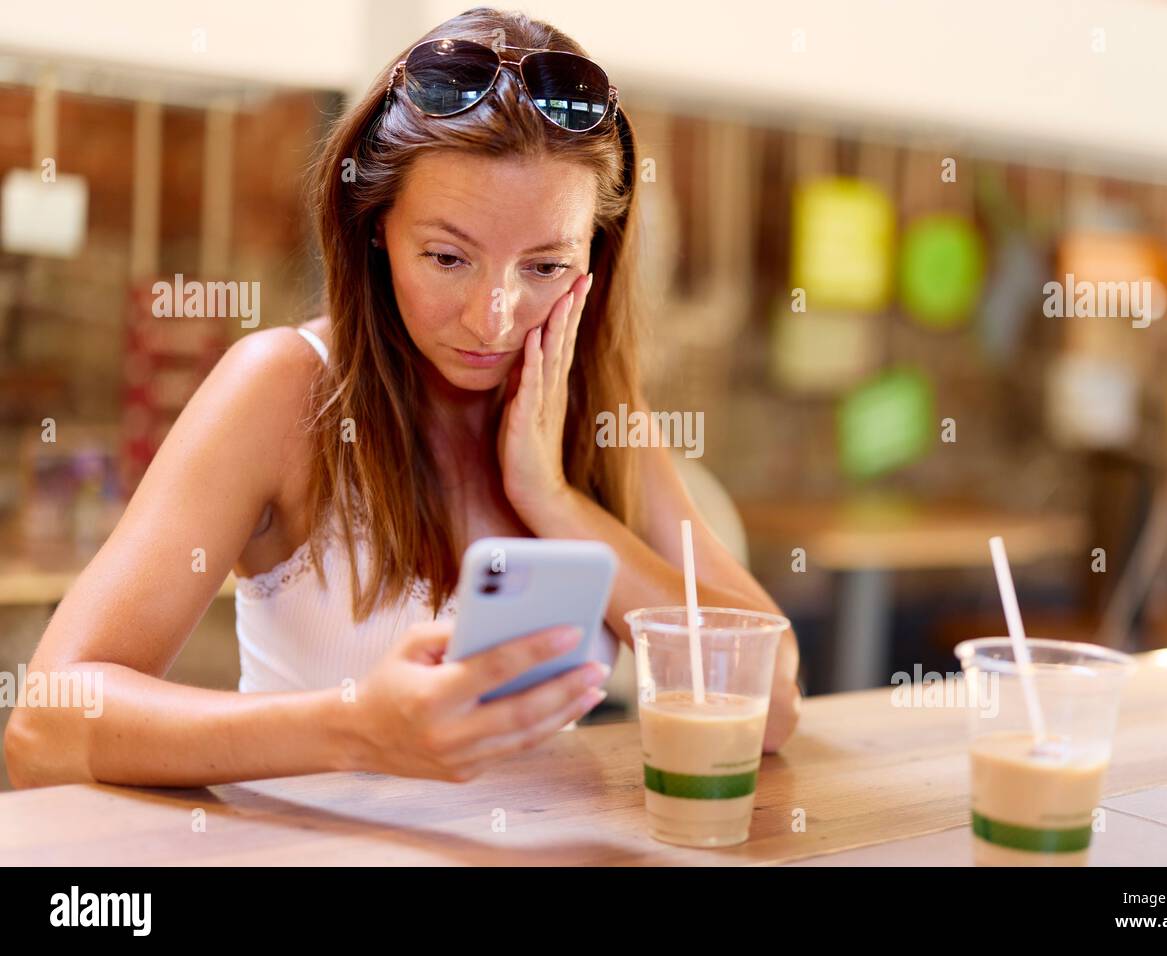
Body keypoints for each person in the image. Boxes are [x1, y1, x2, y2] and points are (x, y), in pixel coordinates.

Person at [5, 6, 801, 789]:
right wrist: (354, 729)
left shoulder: (589, 411)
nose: (494, 317)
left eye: (545, 267)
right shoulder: (284, 388)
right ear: (376, 227)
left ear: (595, 254)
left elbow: (767, 707)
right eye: (449, 257)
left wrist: (555, 501)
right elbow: (44, 723)